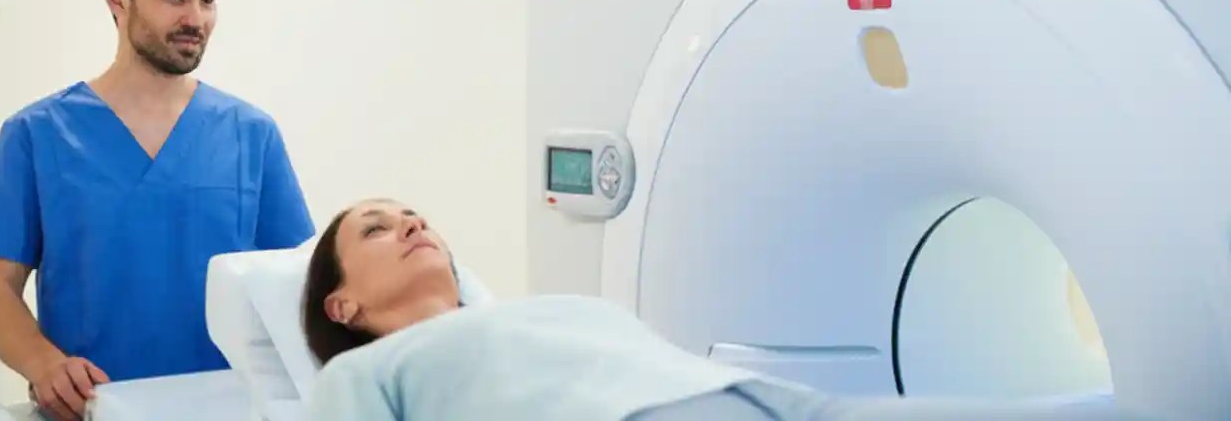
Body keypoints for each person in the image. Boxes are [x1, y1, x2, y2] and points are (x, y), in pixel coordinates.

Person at [300, 198, 1154, 421]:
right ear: (342, 302)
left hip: (787, 407)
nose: (411, 221)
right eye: (377, 226)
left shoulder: (543, 309)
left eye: (414, 213)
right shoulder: (369, 373)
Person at [0, 0, 316, 421]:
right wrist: (43, 364)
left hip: (228, 407)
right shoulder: (38, 135)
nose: (196, 18)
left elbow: (294, 285)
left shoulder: (250, 134)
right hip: (94, 409)